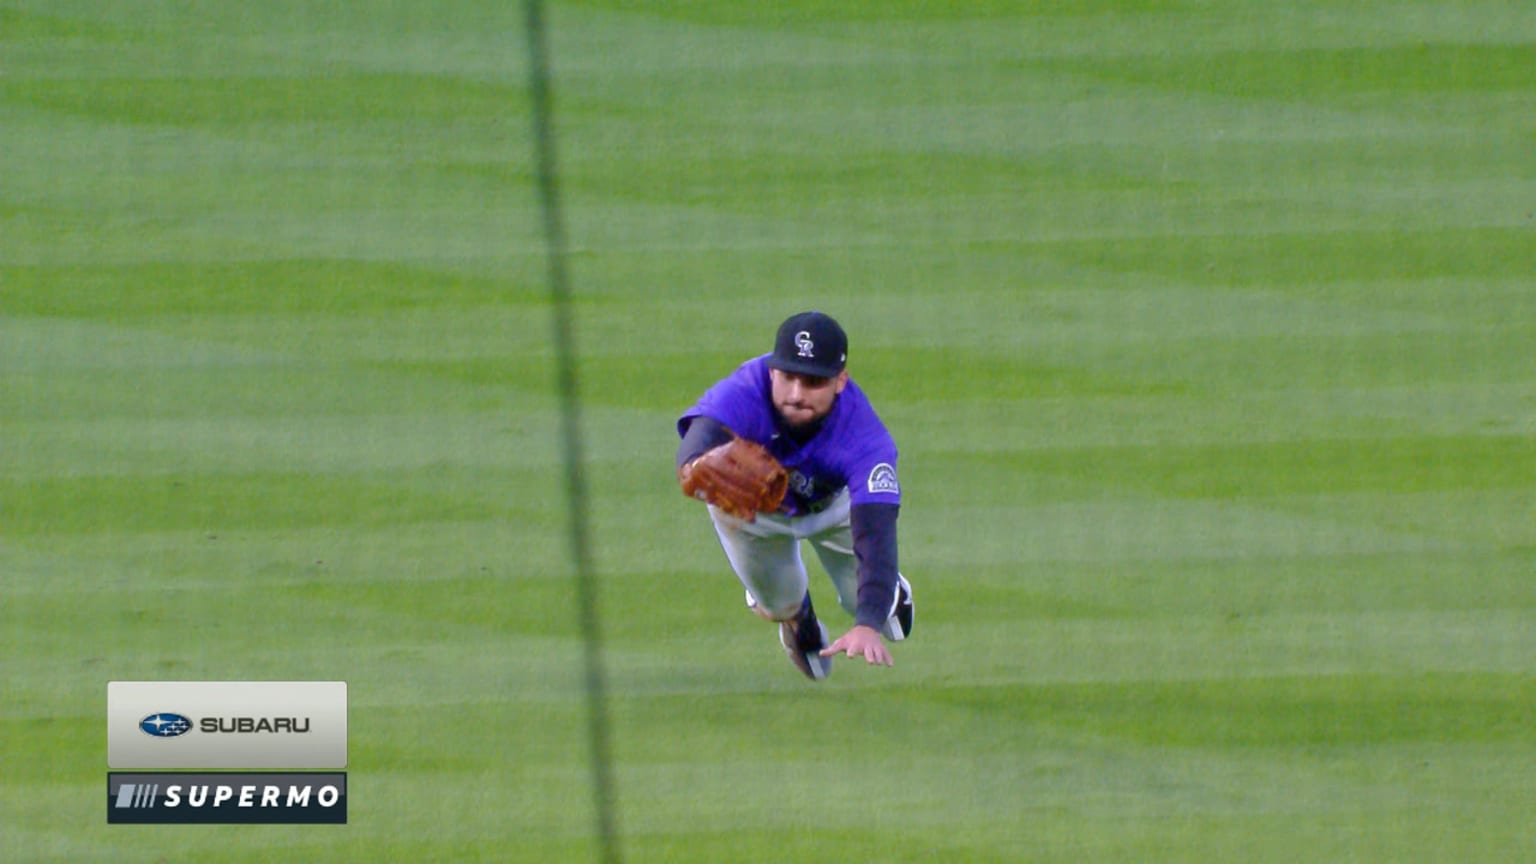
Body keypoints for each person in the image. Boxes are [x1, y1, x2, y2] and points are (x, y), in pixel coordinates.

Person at [675, 311, 914, 680]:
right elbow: (696, 445)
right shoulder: (744, 391)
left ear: (840, 381)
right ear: (772, 371)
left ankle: (890, 593)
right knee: (778, 602)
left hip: (834, 508)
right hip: (755, 513)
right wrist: (693, 466)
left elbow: (876, 534)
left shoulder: (865, 440)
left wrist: (866, 624)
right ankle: (797, 619)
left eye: (814, 382)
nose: (797, 394)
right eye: (788, 377)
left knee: (870, 604)